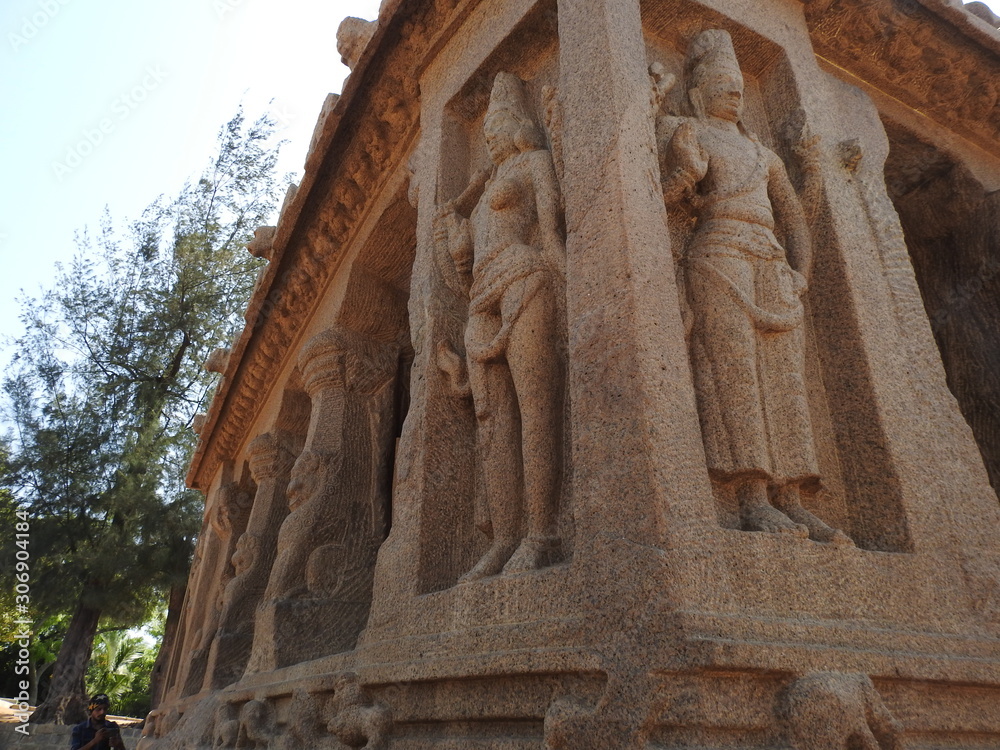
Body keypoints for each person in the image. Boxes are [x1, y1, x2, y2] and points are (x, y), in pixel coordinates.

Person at [660, 29, 850, 544]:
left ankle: (791, 496)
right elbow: (658, 204)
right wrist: (685, 174)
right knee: (735, 376)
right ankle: (751, 498)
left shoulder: (764, 154)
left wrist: (801, 272)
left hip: (769, 260)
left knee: (785, 382)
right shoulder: (687, 133)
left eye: (739, 84)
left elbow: (795, 219)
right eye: (723, 83)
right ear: (698, 91)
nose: (735, 93)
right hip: (718, 255)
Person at [435, 72, 566, 579]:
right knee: (494, 424)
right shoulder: (484, 186)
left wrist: (577, 287)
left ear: (519, 126)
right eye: (485, 129)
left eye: (500, 124)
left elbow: (551, 232)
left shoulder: (534, 163)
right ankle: (506, 536)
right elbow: (461, 276)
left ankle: (542, 535)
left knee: (536, 410)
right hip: (482, 297)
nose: (490, 135)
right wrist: (455, 240)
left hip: (524, 280)